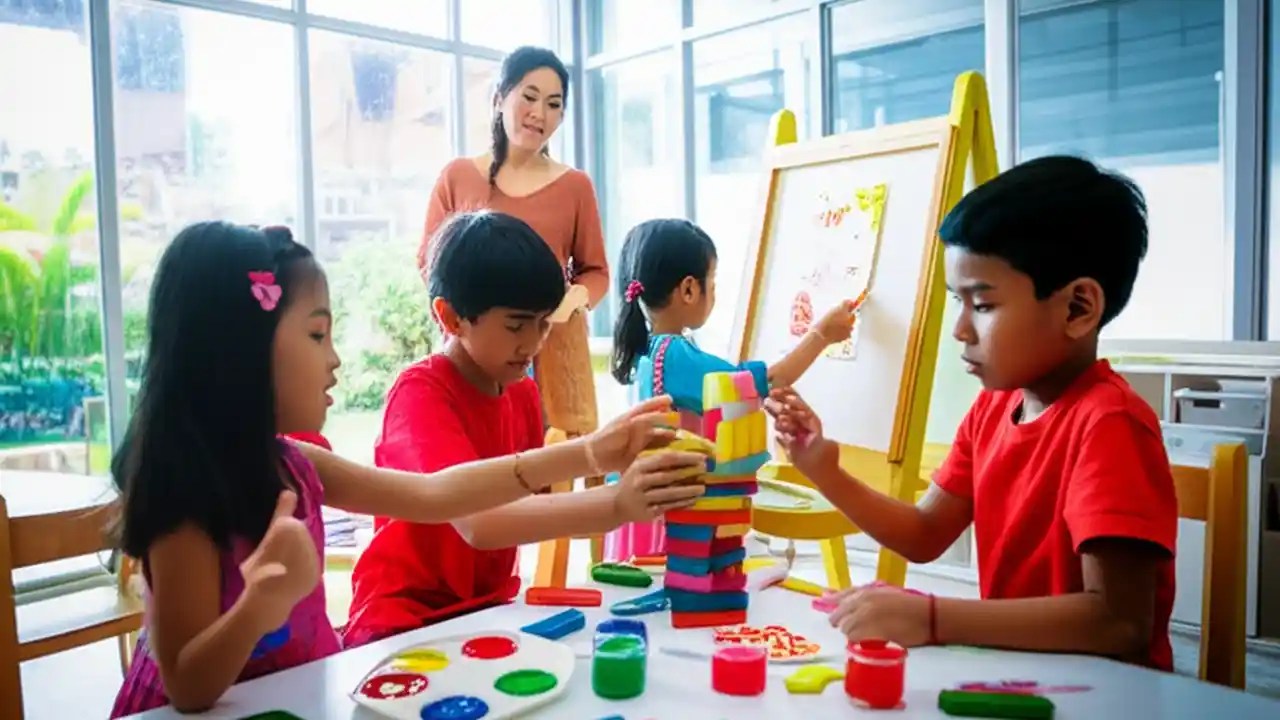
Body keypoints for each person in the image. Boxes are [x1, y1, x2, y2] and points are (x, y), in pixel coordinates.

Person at [108, 222, 692, 716]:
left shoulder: (297, 464)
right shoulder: (186, 493)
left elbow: (438, 495)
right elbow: (187, 689)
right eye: (317, 334)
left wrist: (591, 454)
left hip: (302, 694)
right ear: (239, 351)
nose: (335, 358)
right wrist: (259, 602)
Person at [766, 156, 1178, 670]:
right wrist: (822, 470)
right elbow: (924, 534)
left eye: (981, 305)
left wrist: (934, 619)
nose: (959, 328)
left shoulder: (1111, 424)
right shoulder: (993, 407)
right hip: (1018, 676)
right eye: (957, 303)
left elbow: (1118, 621)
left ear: (1078, 308)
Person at [342, 212, 706, 647]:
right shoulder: (420, 395)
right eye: (516, 326)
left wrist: (612, 468)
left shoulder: (521, 394)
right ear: (451, 317)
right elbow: (481, 524)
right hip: (403, 619)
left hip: (488, 611)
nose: (533, 343)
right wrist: (614, 500)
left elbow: (528, 510)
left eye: (543, 324)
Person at [605, 218, 858, 561]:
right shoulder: (675, 354)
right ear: (690, 289)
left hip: (647, 501)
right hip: (676, 512)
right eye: (713, 281)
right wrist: (822, 334)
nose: (714, 291)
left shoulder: (644, 348)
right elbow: (768, 382)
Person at [416, 46, 604, 438]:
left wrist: (569, 300)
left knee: (553, 455)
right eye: (529, 97)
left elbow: (596, 270)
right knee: (473, 452)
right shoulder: (458, 176)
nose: (540, 113)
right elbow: (428, 262)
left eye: (554, 104)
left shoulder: (575, 186)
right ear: (500, 98)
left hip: (550, 345)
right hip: (474, 347)